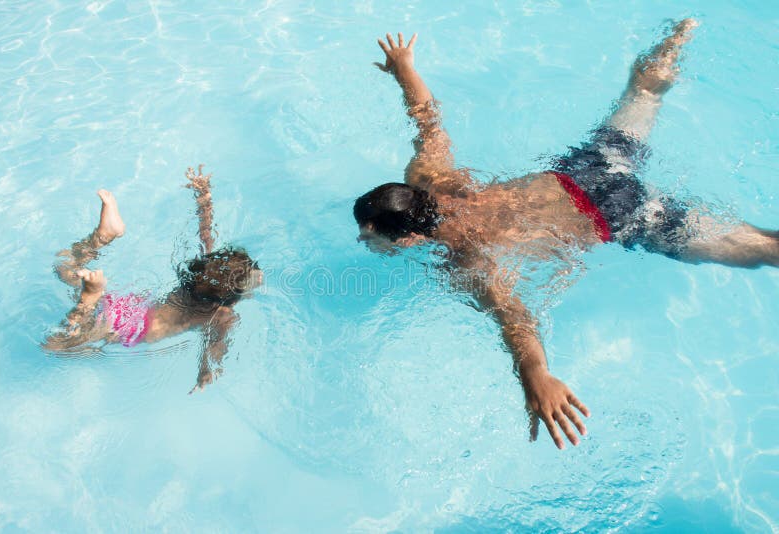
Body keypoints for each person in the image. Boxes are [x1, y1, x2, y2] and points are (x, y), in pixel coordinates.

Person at [354, 20, 779, 449]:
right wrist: (404, 68)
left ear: (408, 240)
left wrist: (535, 376)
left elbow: (513, 316)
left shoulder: (465, 254)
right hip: (586, 168)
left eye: (371, 237)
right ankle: (683, 31)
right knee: (643, 93)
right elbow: (428, 121)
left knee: (764, 250)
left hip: (619, 212)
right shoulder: (429, 178)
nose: (364, 241)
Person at [44, 165, 262, 393]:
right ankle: (88, 298)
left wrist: (204, 196)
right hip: (134, 328)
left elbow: (205, 232)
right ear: (230, 297)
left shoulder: (203, 271)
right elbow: (215, 349)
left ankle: (100, 239)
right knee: (57, 346)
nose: (258, 279)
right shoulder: (223, 316)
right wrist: (206, 371)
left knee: (65, 267)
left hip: (130, 306)